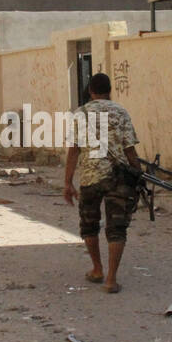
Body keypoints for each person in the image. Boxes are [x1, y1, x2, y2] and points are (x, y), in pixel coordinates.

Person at [62, 72, 140, 294]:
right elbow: (129, 148)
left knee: (89, 224)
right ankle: (111, 280)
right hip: (118, 177)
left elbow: (73, 151)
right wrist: (138, 173)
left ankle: (97, 269)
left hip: (90, 177)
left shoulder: (80, 114)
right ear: (110, 90)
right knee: (117, 229)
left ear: (90, 91)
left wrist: (68, 183)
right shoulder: (120, 112)